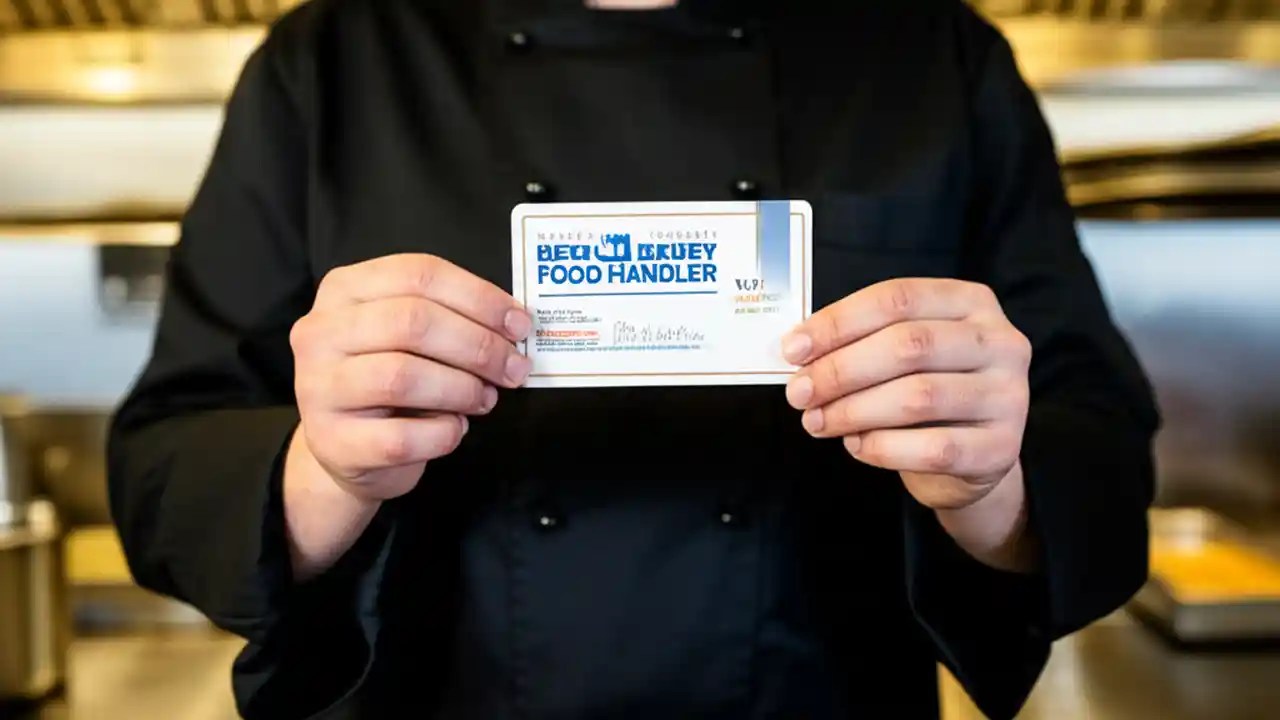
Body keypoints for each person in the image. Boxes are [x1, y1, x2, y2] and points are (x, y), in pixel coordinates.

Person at [106, 0, 1160, 718]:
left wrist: (992, 485)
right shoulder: (330, 61)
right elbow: (162, 464)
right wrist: (318, 472)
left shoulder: (933, 52)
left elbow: (1103, 460)